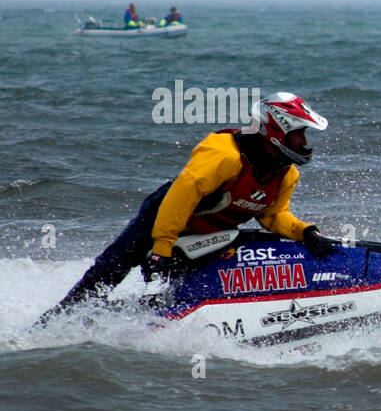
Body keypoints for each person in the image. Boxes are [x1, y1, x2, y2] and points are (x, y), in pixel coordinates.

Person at [41, 92, 335, 321]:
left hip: (213, 232)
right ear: (276, 130)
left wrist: (305, 232)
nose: (304, 142)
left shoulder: (286, 173)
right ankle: (57, 325)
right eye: (300, 133)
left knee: (184, 287)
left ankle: (137, 321)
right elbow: (179, 199)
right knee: (107, 273)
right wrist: (161, 250)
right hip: (162, 220)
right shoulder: (223, 155)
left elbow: (273, 216)